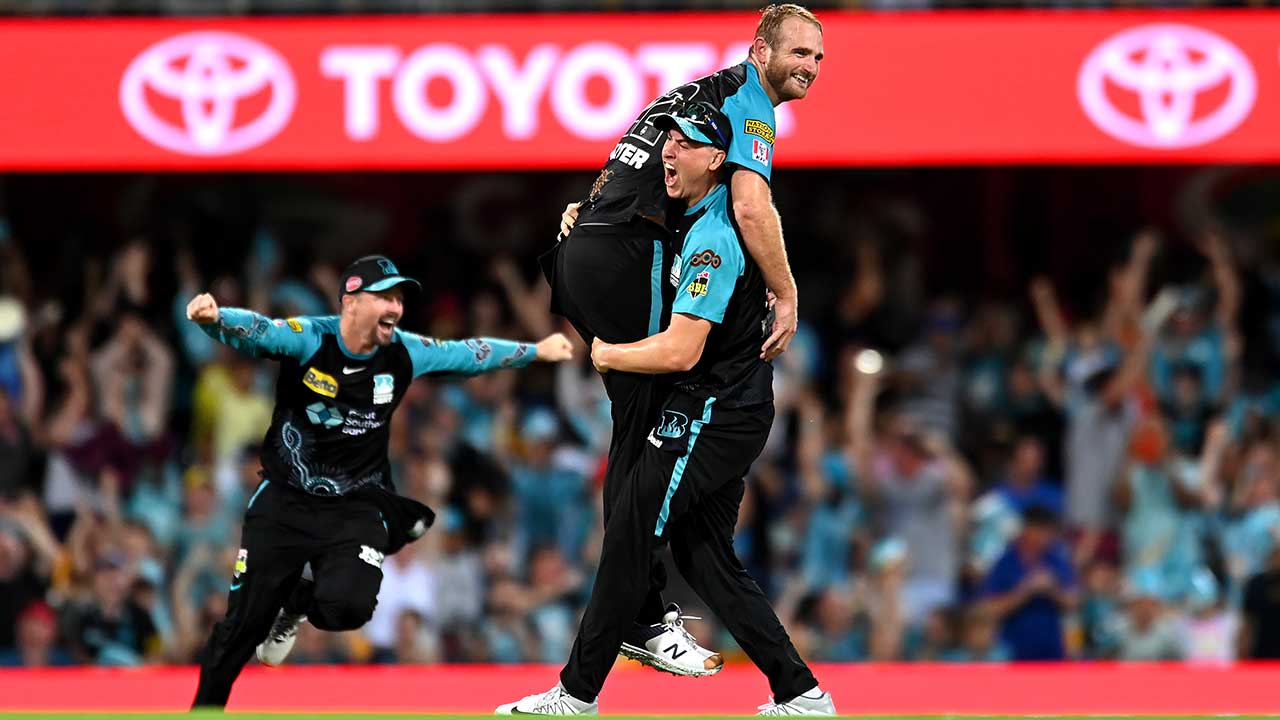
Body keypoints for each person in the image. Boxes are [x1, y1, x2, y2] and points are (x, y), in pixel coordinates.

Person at [499, 103, 833, 716]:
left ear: (718, 160)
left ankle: (577, 693)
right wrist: (588, 219)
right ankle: (800, 690)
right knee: (704, 556)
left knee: (629, 529)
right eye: (670, 139)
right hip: (729, 407)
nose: (668, 153)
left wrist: (607, 354)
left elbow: (681, 351)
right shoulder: (693, 211)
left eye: (688, 144)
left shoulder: (712, 238)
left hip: (711, 412)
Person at [540, 2, 824, 676]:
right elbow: (752, 205)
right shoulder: (749, 104)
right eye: (799, 53)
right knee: (641, 440)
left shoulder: (695, 94)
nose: (810, 68)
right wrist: (787, 294)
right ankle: (639, 619)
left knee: (636, 434)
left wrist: (589, 226)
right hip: (623, 256)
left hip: (593, 248)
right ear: (761, 49)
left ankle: (647, 615)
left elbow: (630, 166)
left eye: (818, 59)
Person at [185, 255, 572, 707]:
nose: (396, 307)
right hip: (285, 500)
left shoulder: (405, 351)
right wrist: (214, 319)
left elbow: (469, 353)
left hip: (357, 504)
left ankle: (294, 602)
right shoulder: (312, 338)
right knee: (239, 633)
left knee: (347, 609)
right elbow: (258, 331)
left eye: (399, 298)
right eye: (384, 297)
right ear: (350, 302)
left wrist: (535, 352)